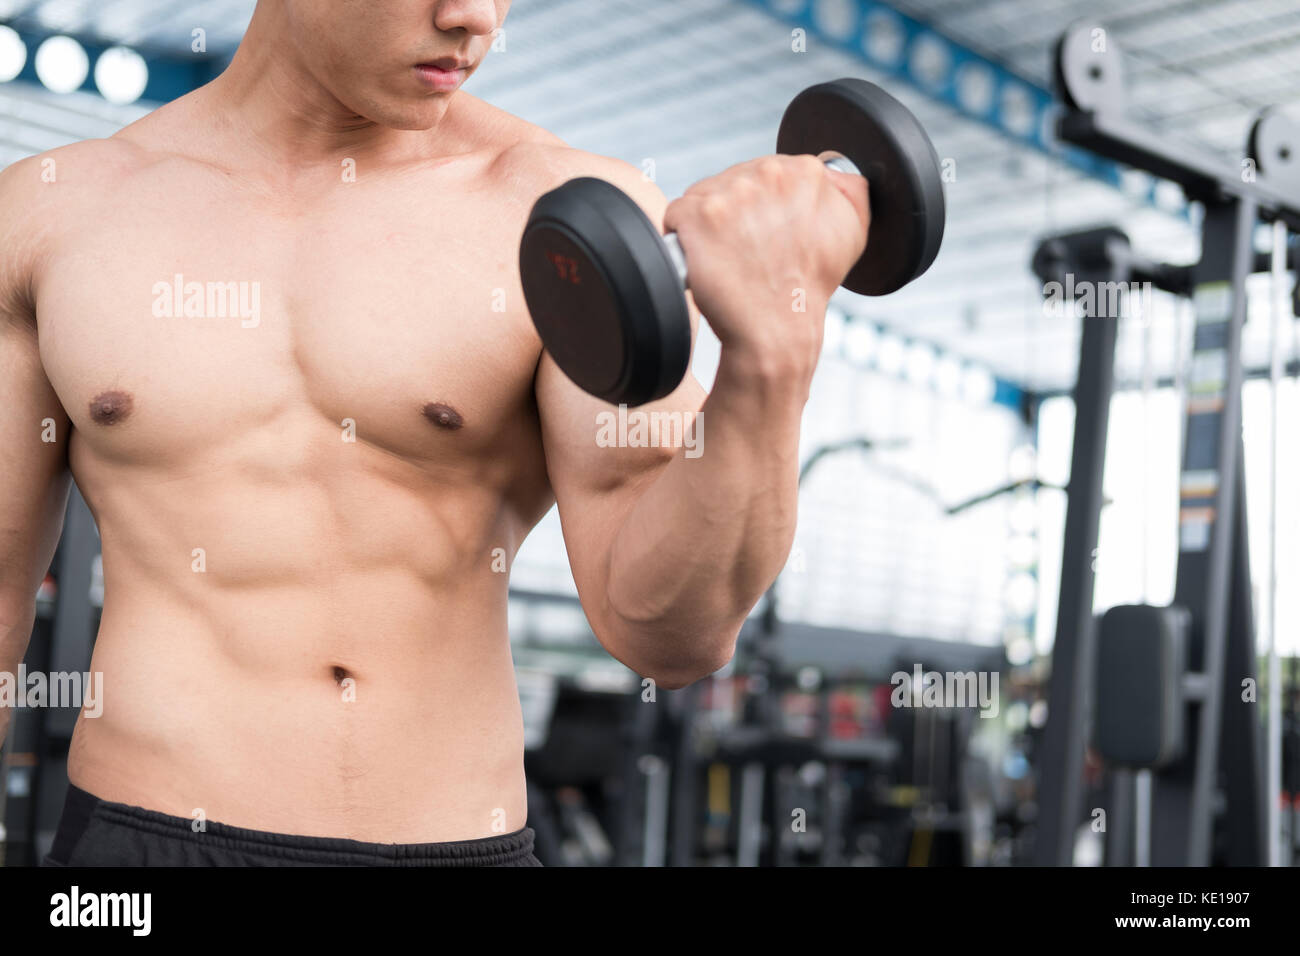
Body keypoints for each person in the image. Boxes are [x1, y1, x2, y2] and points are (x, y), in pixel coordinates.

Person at [0, 0, 867, 866]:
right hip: (134, 850)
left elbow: (670, 636)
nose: (475, 19)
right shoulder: (55, 213)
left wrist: (770, 363)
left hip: (450, 845)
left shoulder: (564, 218)